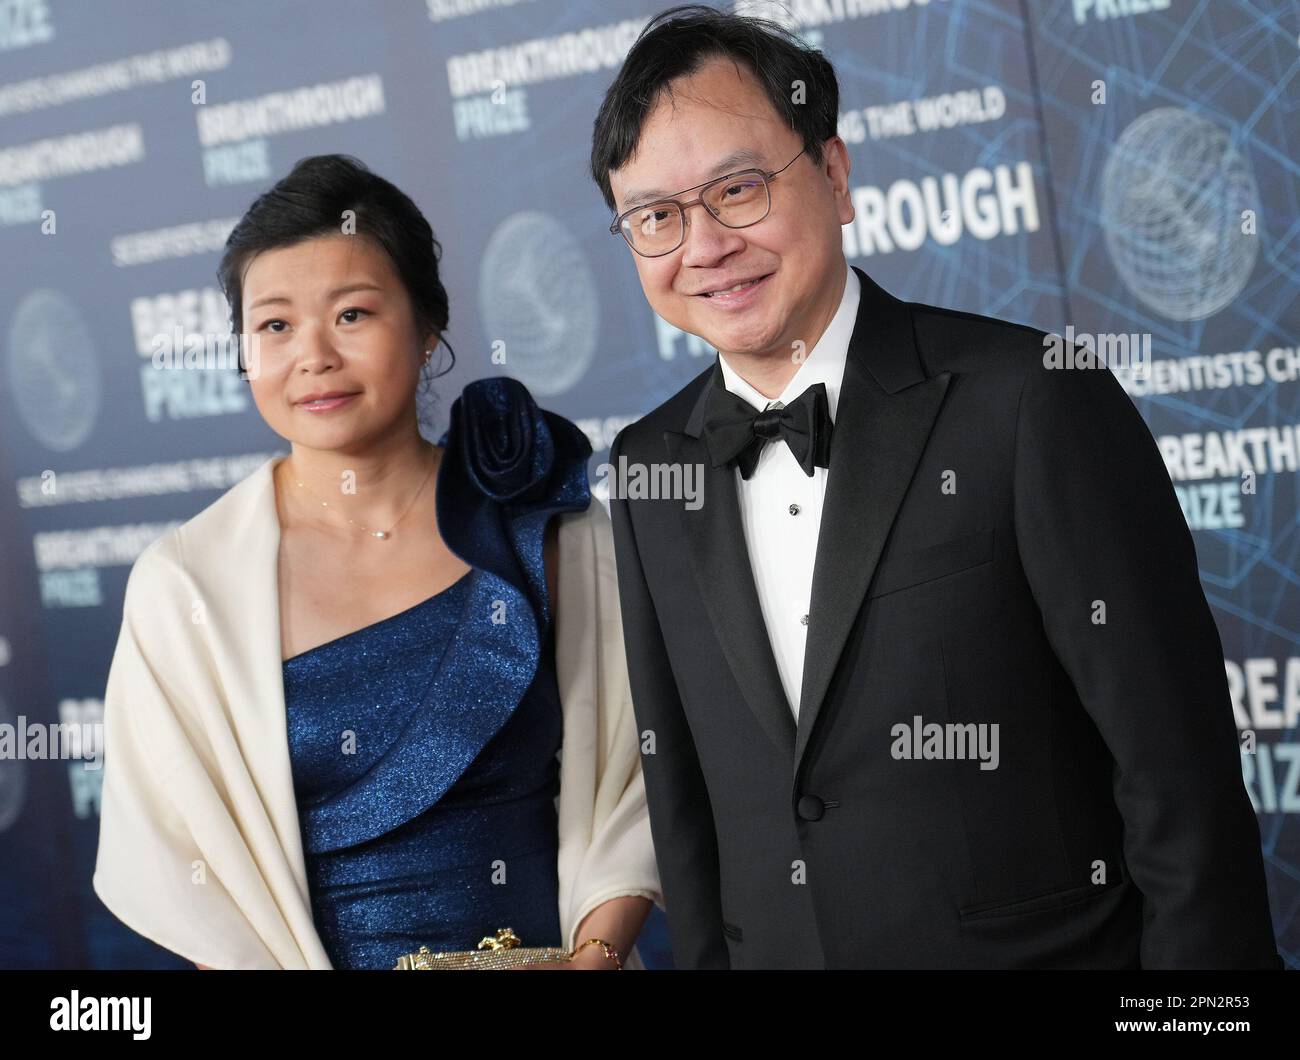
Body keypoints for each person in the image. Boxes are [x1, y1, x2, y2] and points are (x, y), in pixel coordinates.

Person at [591, 6, 1281, 969]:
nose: (701, 245)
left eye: (738, 189)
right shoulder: (646, 467)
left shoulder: (1033, 401)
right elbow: (687, 811)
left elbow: (1182, 779)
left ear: (833, 175)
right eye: (655, 216)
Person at [93, 154, 660, 969]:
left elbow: (636, 784)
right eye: (275, 326)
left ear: (428, 329)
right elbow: (190, 871)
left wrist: (596, 957)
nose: (313, 355)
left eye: (352, 315)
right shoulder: (187, 586)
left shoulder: (550, 533)